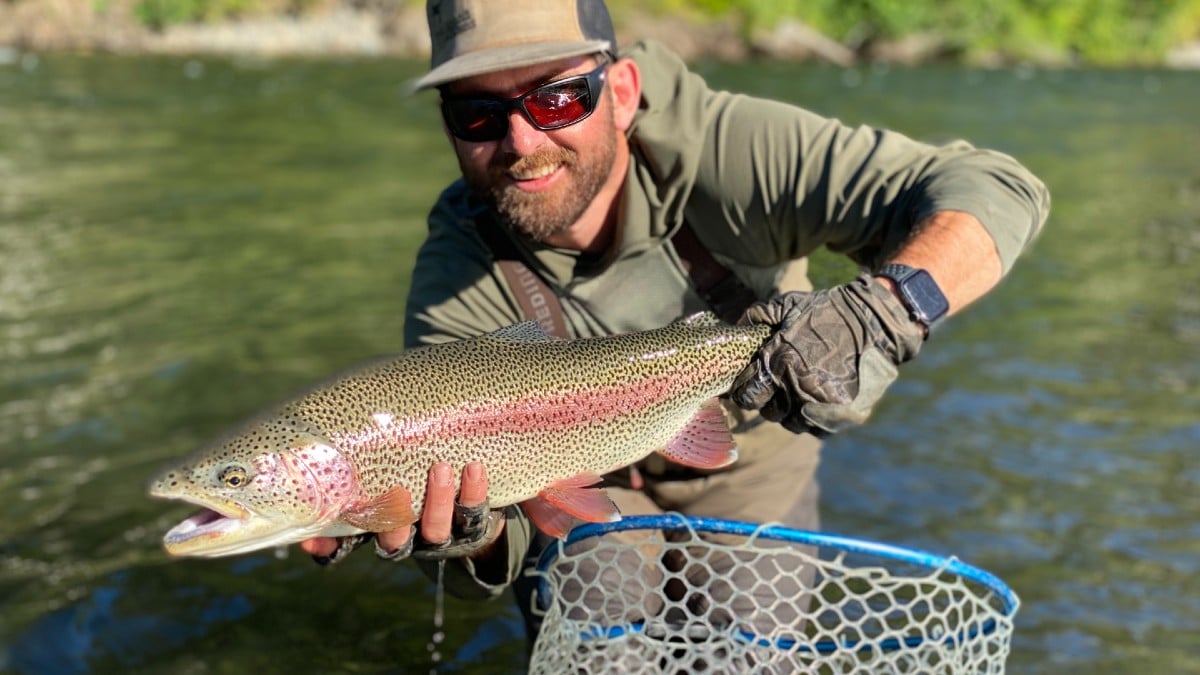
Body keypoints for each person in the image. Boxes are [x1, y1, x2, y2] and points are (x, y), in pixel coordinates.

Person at [301, 0, 1050, 655]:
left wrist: (884, 309)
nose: (523, 142)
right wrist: (475, 534)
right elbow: (489, 549)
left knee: (744, 648)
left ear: (621, 93)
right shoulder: (455, 279)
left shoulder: (728, 152)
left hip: (751, 471)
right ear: (450, 126)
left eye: (558, 99)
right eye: (478, 114)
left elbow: (1001, 188)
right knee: (601, 604)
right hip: (583, 492)